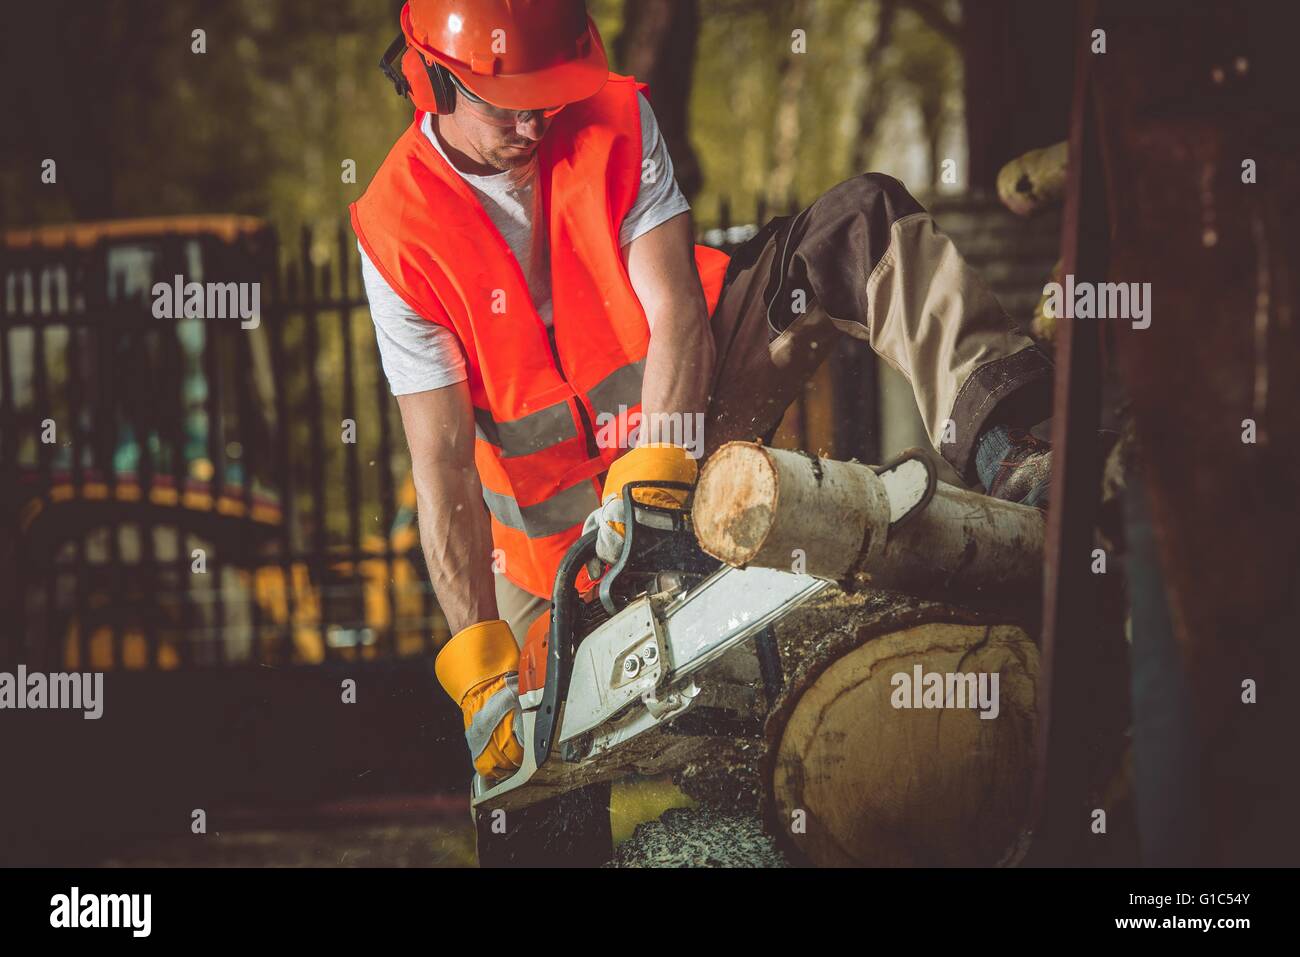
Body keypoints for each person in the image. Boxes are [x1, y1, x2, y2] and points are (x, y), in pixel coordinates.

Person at [352, 0, 1053, 865]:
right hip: (540, 551)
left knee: (858, 224)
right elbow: (442, 464)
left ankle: (1016, 449)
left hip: (689, 418)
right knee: (526, 796)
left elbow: (678, 313)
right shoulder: (394, 230)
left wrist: (650, 484)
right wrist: (479, 669)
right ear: (431, 81)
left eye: (545, 95)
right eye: (508, 104)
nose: (535, 120)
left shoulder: (611, 112)